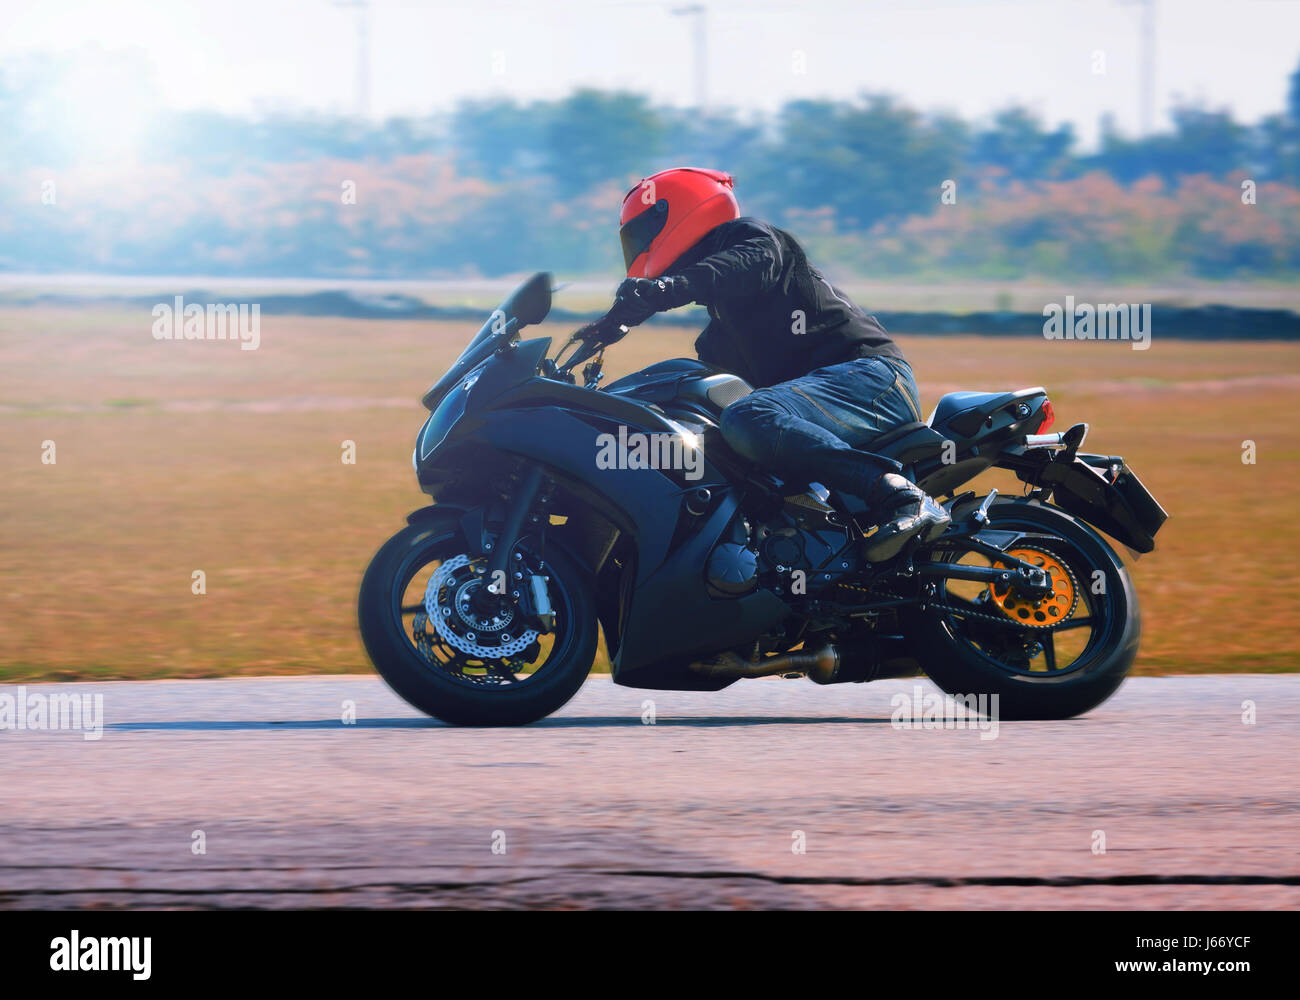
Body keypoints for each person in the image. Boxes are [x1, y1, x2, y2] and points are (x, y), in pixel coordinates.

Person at [593, 166, 949, 561]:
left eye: (642, 232)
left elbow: (740, 266)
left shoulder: (755, 240)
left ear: (675, 212)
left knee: (749, 416)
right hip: (832, 404)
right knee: (712, 445)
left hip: (872, 379)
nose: (638, 245)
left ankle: (900, 494)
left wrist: (663, 290)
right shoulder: (720, 334)